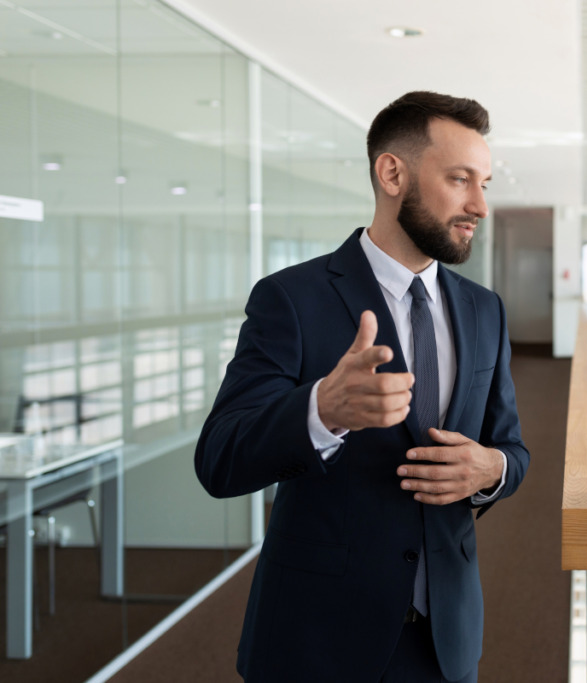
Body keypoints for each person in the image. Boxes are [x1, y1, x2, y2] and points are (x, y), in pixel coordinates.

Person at [195, 91, 529, 683]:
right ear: (392, 172)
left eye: (485, 183)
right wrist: (320, 411)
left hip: (445, 642)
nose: (479, 203)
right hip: (318, 641)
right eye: (459, 179)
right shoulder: (292, 298)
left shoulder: (485, 310)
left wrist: (490, 472)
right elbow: (220, 459)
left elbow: (512, 450)